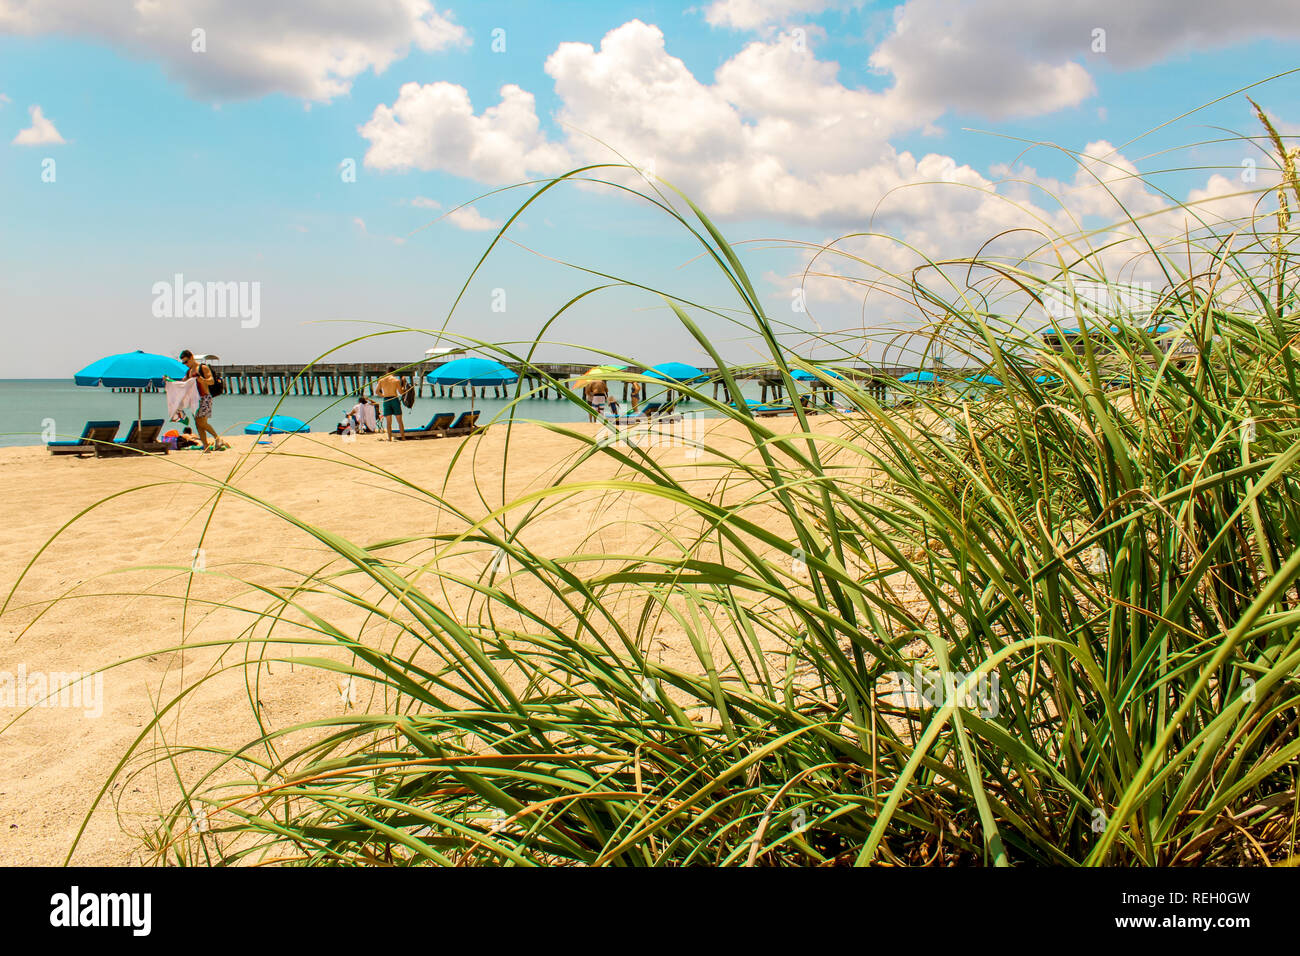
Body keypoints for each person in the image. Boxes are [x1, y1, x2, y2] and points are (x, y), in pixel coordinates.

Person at [180, 350, 228, 451]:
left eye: (186, 361)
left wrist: (203, 380)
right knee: (198, 424)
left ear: (192, 358)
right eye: (183, 363)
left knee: (201, 422)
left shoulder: (202, 368)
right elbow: (182, 383)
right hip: (195, 400)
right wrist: (169, 380)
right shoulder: (189, 372)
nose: (185, 364)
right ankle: (206, 446)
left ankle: (217, 438)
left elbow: (211, 381)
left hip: (205, 398)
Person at [374, 367, 406, 440]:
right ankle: (403, 438)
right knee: (399, 420)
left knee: (388, 422)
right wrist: (404, 385)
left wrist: (384, 395)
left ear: (387, 371)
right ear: (394, 372)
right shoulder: (396, 380)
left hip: (386, 400)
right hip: (394, 399)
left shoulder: (381, 380)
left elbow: (377, 392)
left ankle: (389, 438)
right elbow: (401, 392)